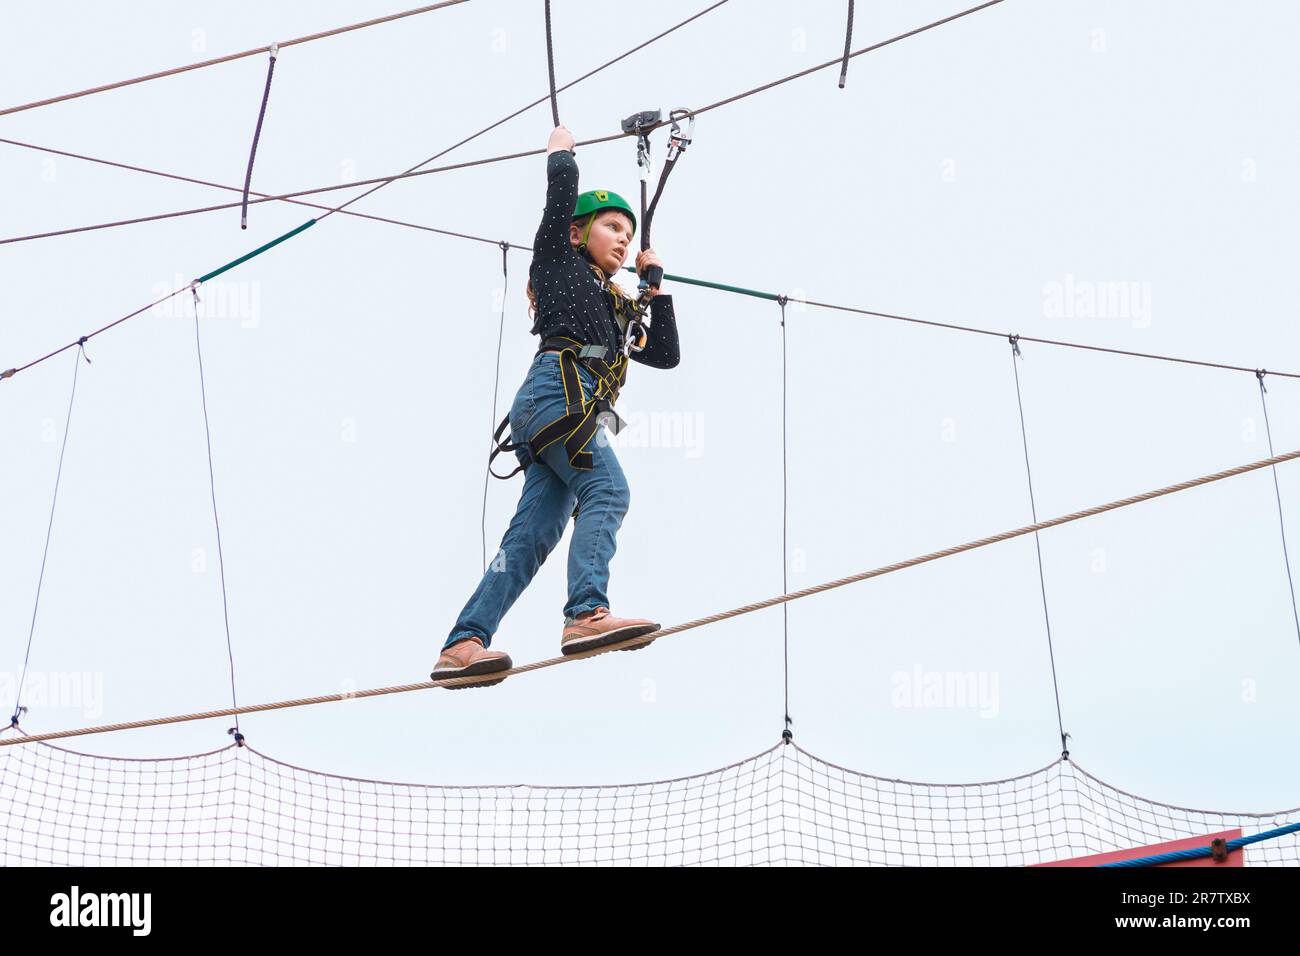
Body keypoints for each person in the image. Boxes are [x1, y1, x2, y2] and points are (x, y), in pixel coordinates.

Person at [433, 124, 682, 686]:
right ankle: (586, 613)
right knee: (609, 489)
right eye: (612, 226)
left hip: (563, 413)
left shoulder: (616, 307)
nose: (623, 238)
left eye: (628, 231)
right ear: (576, 234)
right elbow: (560, 200)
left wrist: (656, 287)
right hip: (557, 398)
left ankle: (464, 643)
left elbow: (664, 355)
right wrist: (562, 154)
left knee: (530, 539)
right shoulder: (558, 263)